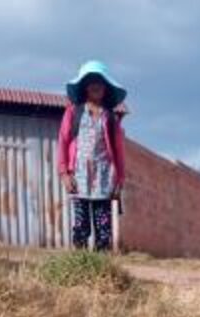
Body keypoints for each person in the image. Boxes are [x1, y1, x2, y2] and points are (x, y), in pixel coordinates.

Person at [57, 60, 128, 252]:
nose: (96, 85)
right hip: (79, 176)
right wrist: (64, 173)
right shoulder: (73, 112)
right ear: (84, 86)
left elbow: (119, 151)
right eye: (91, 81)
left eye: (100, 81)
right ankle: (80, 263)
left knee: (103, 226)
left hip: (104, 178)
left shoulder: (110, 117)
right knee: (81, 224)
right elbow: (63, 141)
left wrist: (119, 180)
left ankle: (101, 267)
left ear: (106, 87)